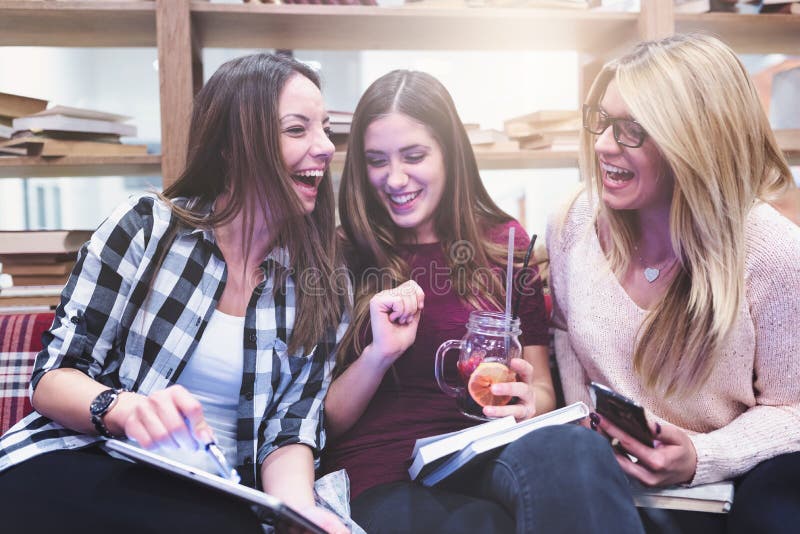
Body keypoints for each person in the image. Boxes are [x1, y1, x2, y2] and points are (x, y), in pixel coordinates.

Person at [0, 53, 350, 534]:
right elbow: (54, 377)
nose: (326, 146)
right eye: (298, 130)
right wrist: (129, 410)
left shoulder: (324, 284)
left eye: (326, 128)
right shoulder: (145, 228)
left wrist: (298, 513)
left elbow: (288, 433)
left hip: (212, 497)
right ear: (233, 145)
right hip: (89, 459)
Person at [321, 69, 645, 533]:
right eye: (376, 160)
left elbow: (543, 392)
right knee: (484, 525)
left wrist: (527, 399)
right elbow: (324, 420)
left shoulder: (504, 244)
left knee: (579, 450)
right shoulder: (340, 253)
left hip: (485, 455)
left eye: (414, 156)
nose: (394, 178)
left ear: (450, 154)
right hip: (381, 471)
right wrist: (379, 354)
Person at [547, 33, 800, 533]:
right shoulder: (575, 220)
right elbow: (562, 330)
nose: (602, 145)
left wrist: (701, 456)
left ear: (695, 140)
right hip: (607, 481)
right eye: (602, 121)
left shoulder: (775, 252)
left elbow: (792, 408)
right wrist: (585, 427)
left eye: (631, 130)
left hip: (728, 488)